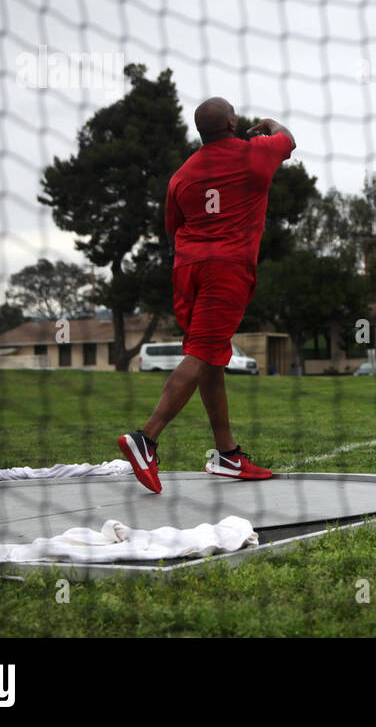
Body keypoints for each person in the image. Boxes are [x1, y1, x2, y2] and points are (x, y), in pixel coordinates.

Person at [118, 97, 294, 494]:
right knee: (201, 354)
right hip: (226, 268)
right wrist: (269, 125)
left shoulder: (181, 175)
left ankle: (227, 454)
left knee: (211, 355)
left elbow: (171, 225)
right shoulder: (254, 153)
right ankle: (146, 437)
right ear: (233, 122)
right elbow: (289, 142)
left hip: (186, 269)